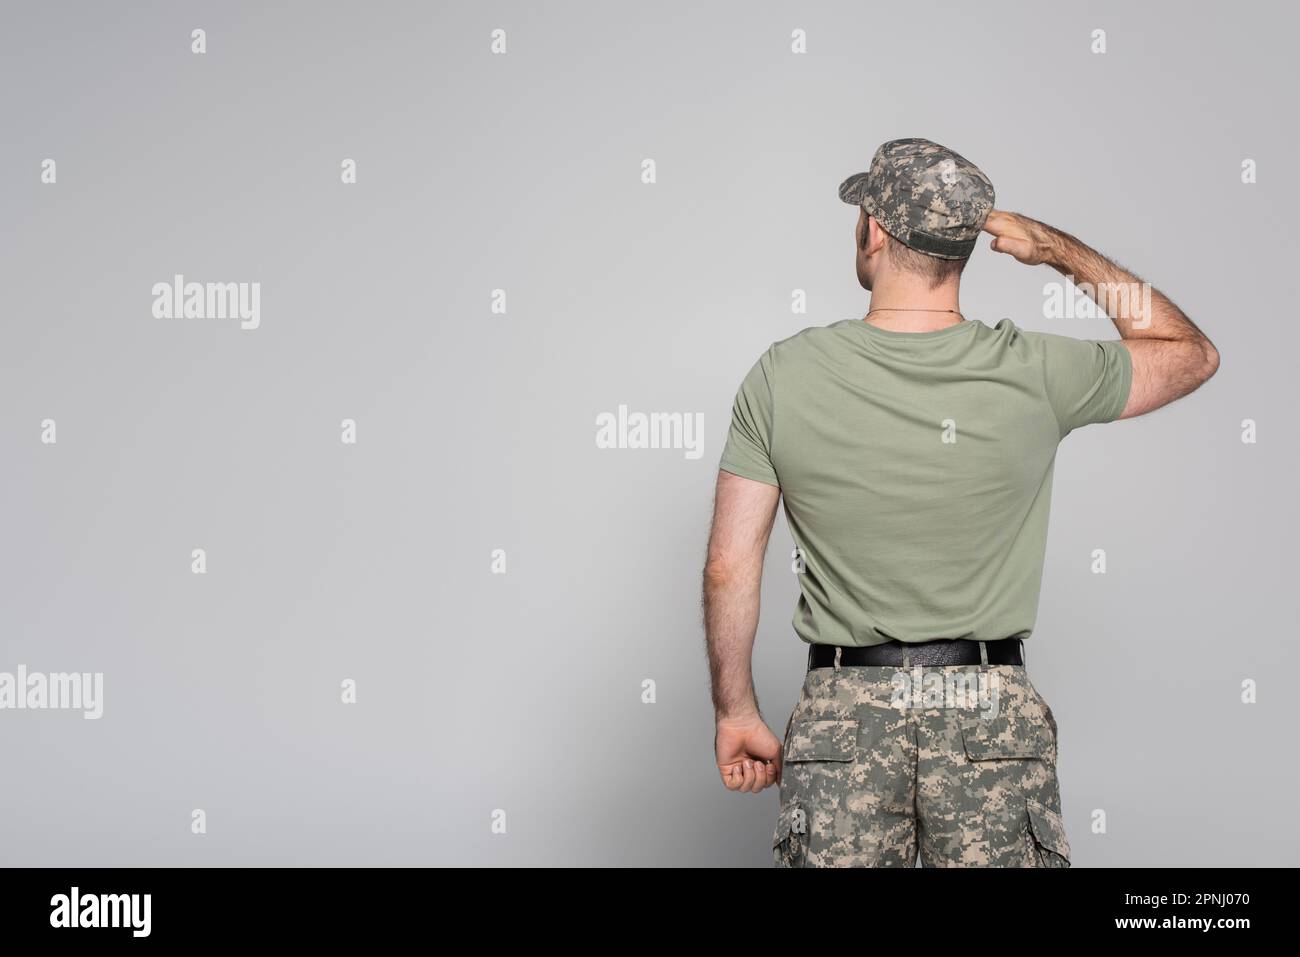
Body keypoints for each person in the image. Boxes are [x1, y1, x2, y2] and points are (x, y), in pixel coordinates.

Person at [701, 137, 1219, 867]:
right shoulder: (1036, 370)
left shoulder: (783, 375)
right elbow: (1190, 351)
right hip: (991, 720)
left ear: (873, 230)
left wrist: (736, 710)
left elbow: (729, 566)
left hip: (844, 718)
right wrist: (1058, 249)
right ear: (961, 249)